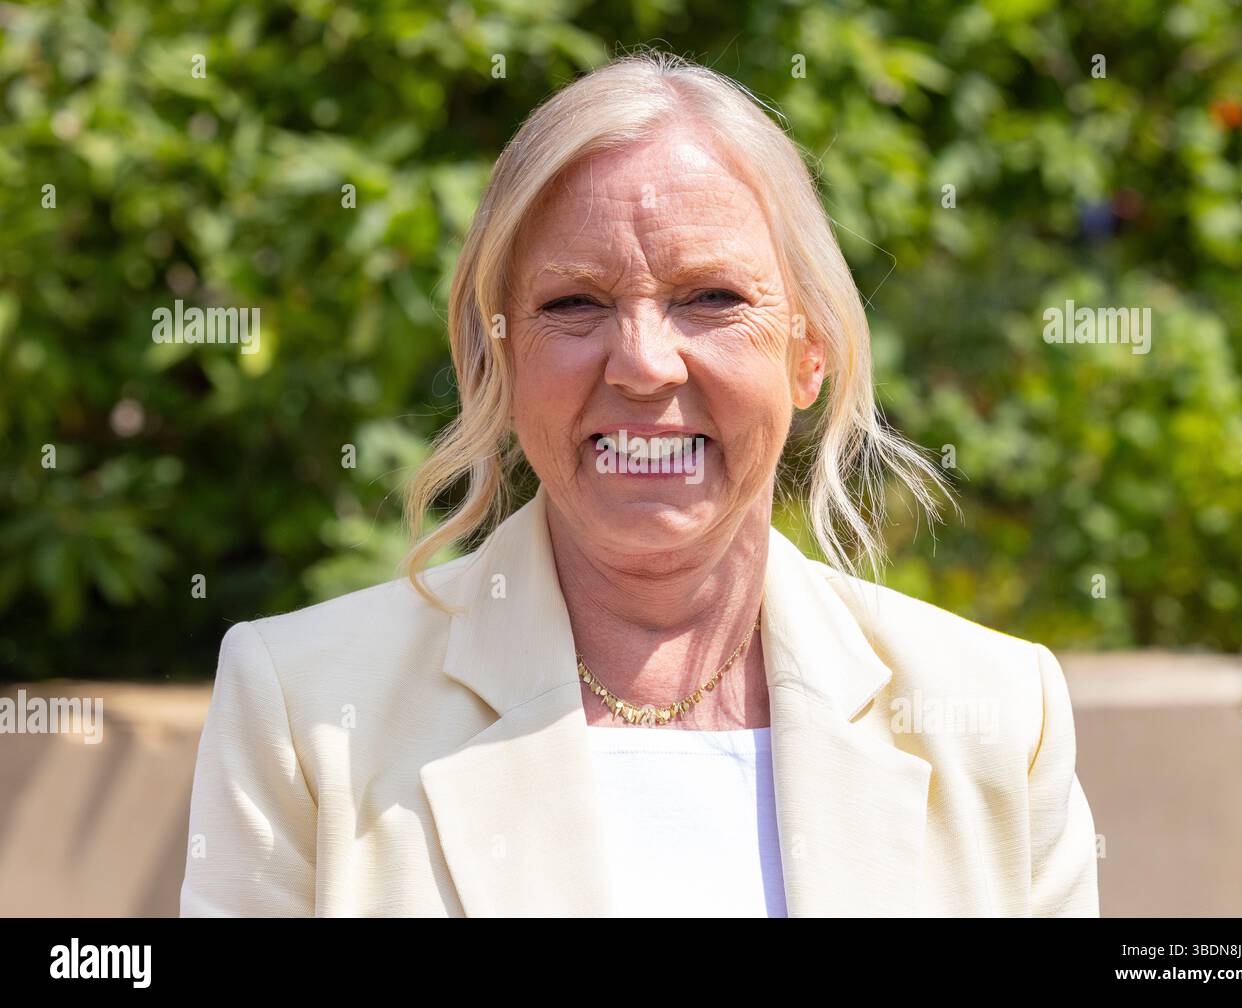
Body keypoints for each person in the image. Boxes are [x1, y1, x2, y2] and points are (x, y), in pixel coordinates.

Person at [180, 50, 1099, 917]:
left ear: (809, 351)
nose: (643, 364)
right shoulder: (306, 711)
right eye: (573, 303)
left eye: (712, 299)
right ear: (499, 358)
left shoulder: (995, 715)